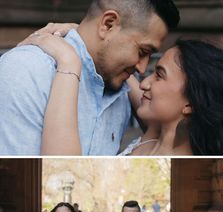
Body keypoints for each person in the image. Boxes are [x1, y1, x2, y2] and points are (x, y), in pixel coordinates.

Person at [0, 0, 180, 155]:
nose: (142, 69)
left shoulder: (121, 88)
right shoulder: (26, 71)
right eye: (142, 51)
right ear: (108, 24)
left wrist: (77, 34)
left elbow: (169, 130)